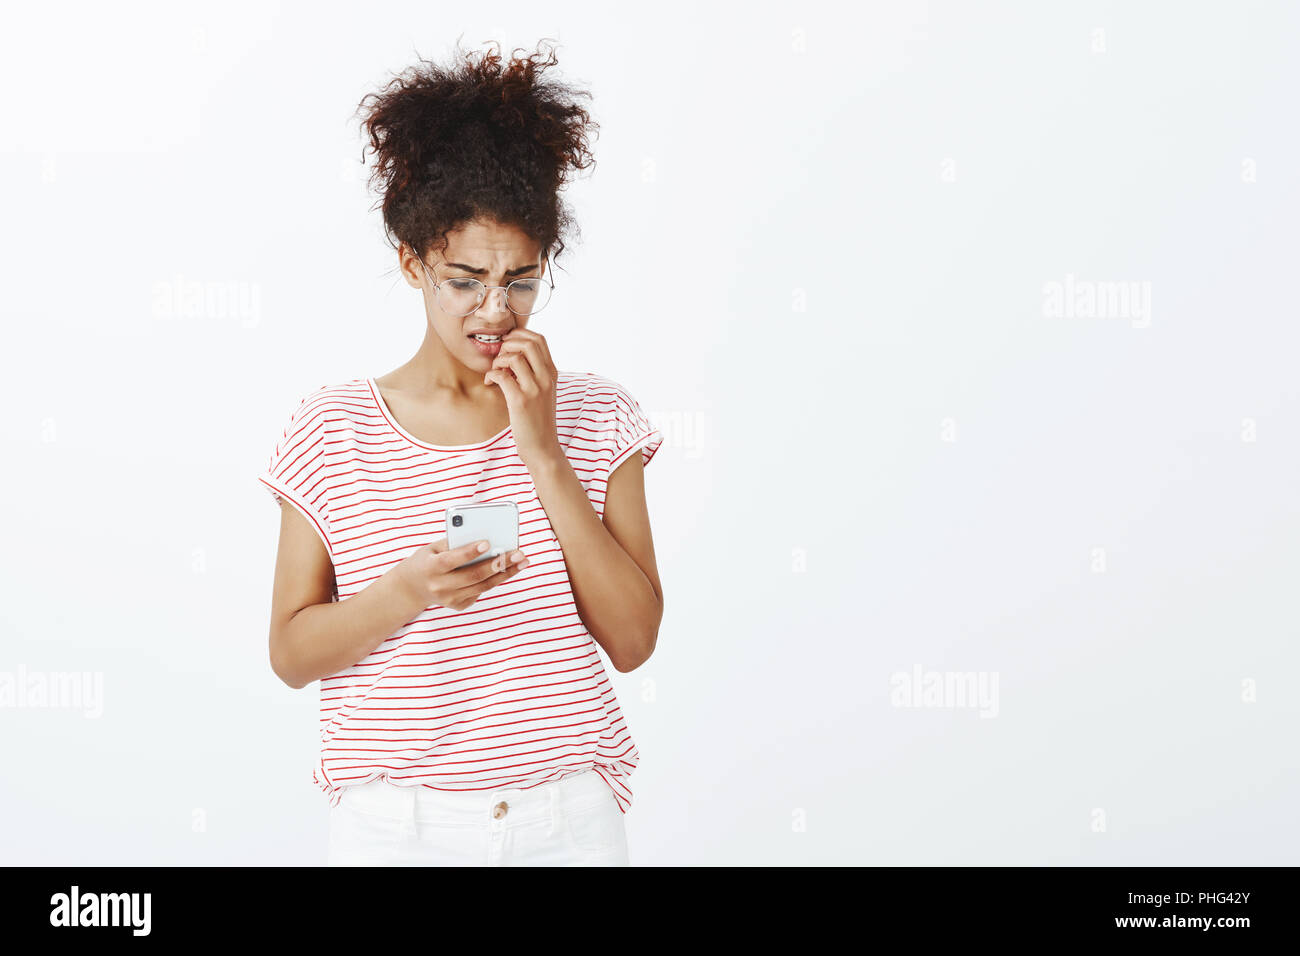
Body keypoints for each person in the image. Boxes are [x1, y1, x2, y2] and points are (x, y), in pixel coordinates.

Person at [256, 39, 664, 866]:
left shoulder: (598, 417)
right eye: (465, 279)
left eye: (521, 278)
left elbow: (632, 641)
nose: (496, 310)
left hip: (566, 828)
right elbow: (291, 655)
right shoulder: (334, 428)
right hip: (395, 832)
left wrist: (544, 452)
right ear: (412, 264)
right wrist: (405, 591)